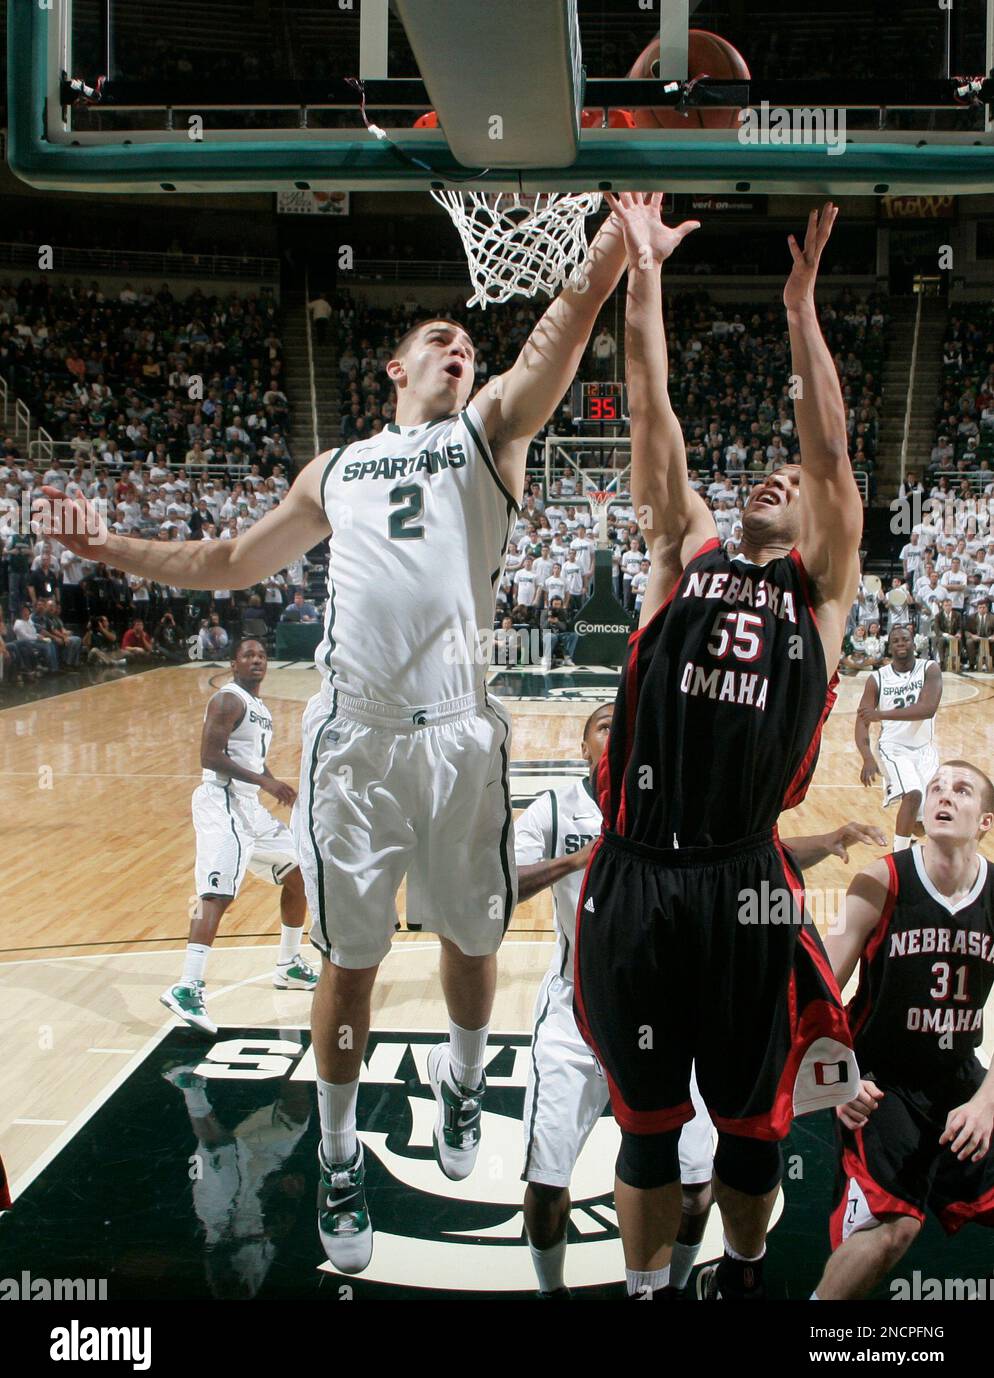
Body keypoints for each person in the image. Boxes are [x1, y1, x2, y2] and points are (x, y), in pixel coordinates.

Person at [39, 206, 631, 1277]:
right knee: (349, 963)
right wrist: (106, 544)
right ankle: (345, 1153)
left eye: (469, 343)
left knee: (471, 939)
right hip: (353, 744)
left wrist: (605, 253)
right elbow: (226, 556)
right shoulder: (335, 469)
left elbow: (554, 342)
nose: (461, 348)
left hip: (459, 736)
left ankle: (460, 1080)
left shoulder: (489, 431)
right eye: (439, 340)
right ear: (395, 366)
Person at [573, 197, 863, 1302]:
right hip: (639, 871)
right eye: (766, 477)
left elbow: (828, 449)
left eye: (791, 487)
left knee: (751, 1130)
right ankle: (649, 1291)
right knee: (643, 1127)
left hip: (747, 881)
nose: (776, 481)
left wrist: (801, 308)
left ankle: (740, 1277)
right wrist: (643, 277)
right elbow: (650, 411)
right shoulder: (679, 550)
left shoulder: (821, 595)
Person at [516, 704, 887, 1299]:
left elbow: (752, 855)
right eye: (604, 726)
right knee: (545, 1178)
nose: (618, 733)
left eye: (625, 723)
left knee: (694, 1184)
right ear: (584, 747)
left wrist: (830, 838)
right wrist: (578, 859)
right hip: (574, 1003)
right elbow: (500, 884)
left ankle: (680, 1286)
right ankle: (549, 1292)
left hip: (670, 1007)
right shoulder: (554, 809)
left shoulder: (671, 801)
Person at [813, 761, 994, 1300]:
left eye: (960, 791)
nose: (943, 795)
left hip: (958, 1076)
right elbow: (816, 997)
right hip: (879, 1078)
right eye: (936, 787)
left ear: (984, 821)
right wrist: (836, 1081)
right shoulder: (880, 878)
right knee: (896, 1226)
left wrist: (988, 1100)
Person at [160, 638, 318, 1034]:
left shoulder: (258, 707)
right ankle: (187, 987)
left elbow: (249, 756)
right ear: (234, 663)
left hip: (248, 806)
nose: (257, 661)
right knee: (216, 893)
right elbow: (210, 757)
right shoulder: (226, 700)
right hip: (222, 802)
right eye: (248, 655)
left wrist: (267, 781)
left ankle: (287, 965)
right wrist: (267, 781)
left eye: (262, 655)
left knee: (300, 870)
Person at [856, 625, 942, 851]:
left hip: (925, 750)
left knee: (922, 824)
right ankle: (899, 854)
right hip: (893, 748)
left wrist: (881, 714)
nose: (901, 643)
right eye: (896, 641)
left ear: (914, 643)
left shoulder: (930, 669)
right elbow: (862, 720)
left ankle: (909, 840)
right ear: (890, 646)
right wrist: (867, 757)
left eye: (905, 639)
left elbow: (927, 709)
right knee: (913, 794)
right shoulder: (877, 679)